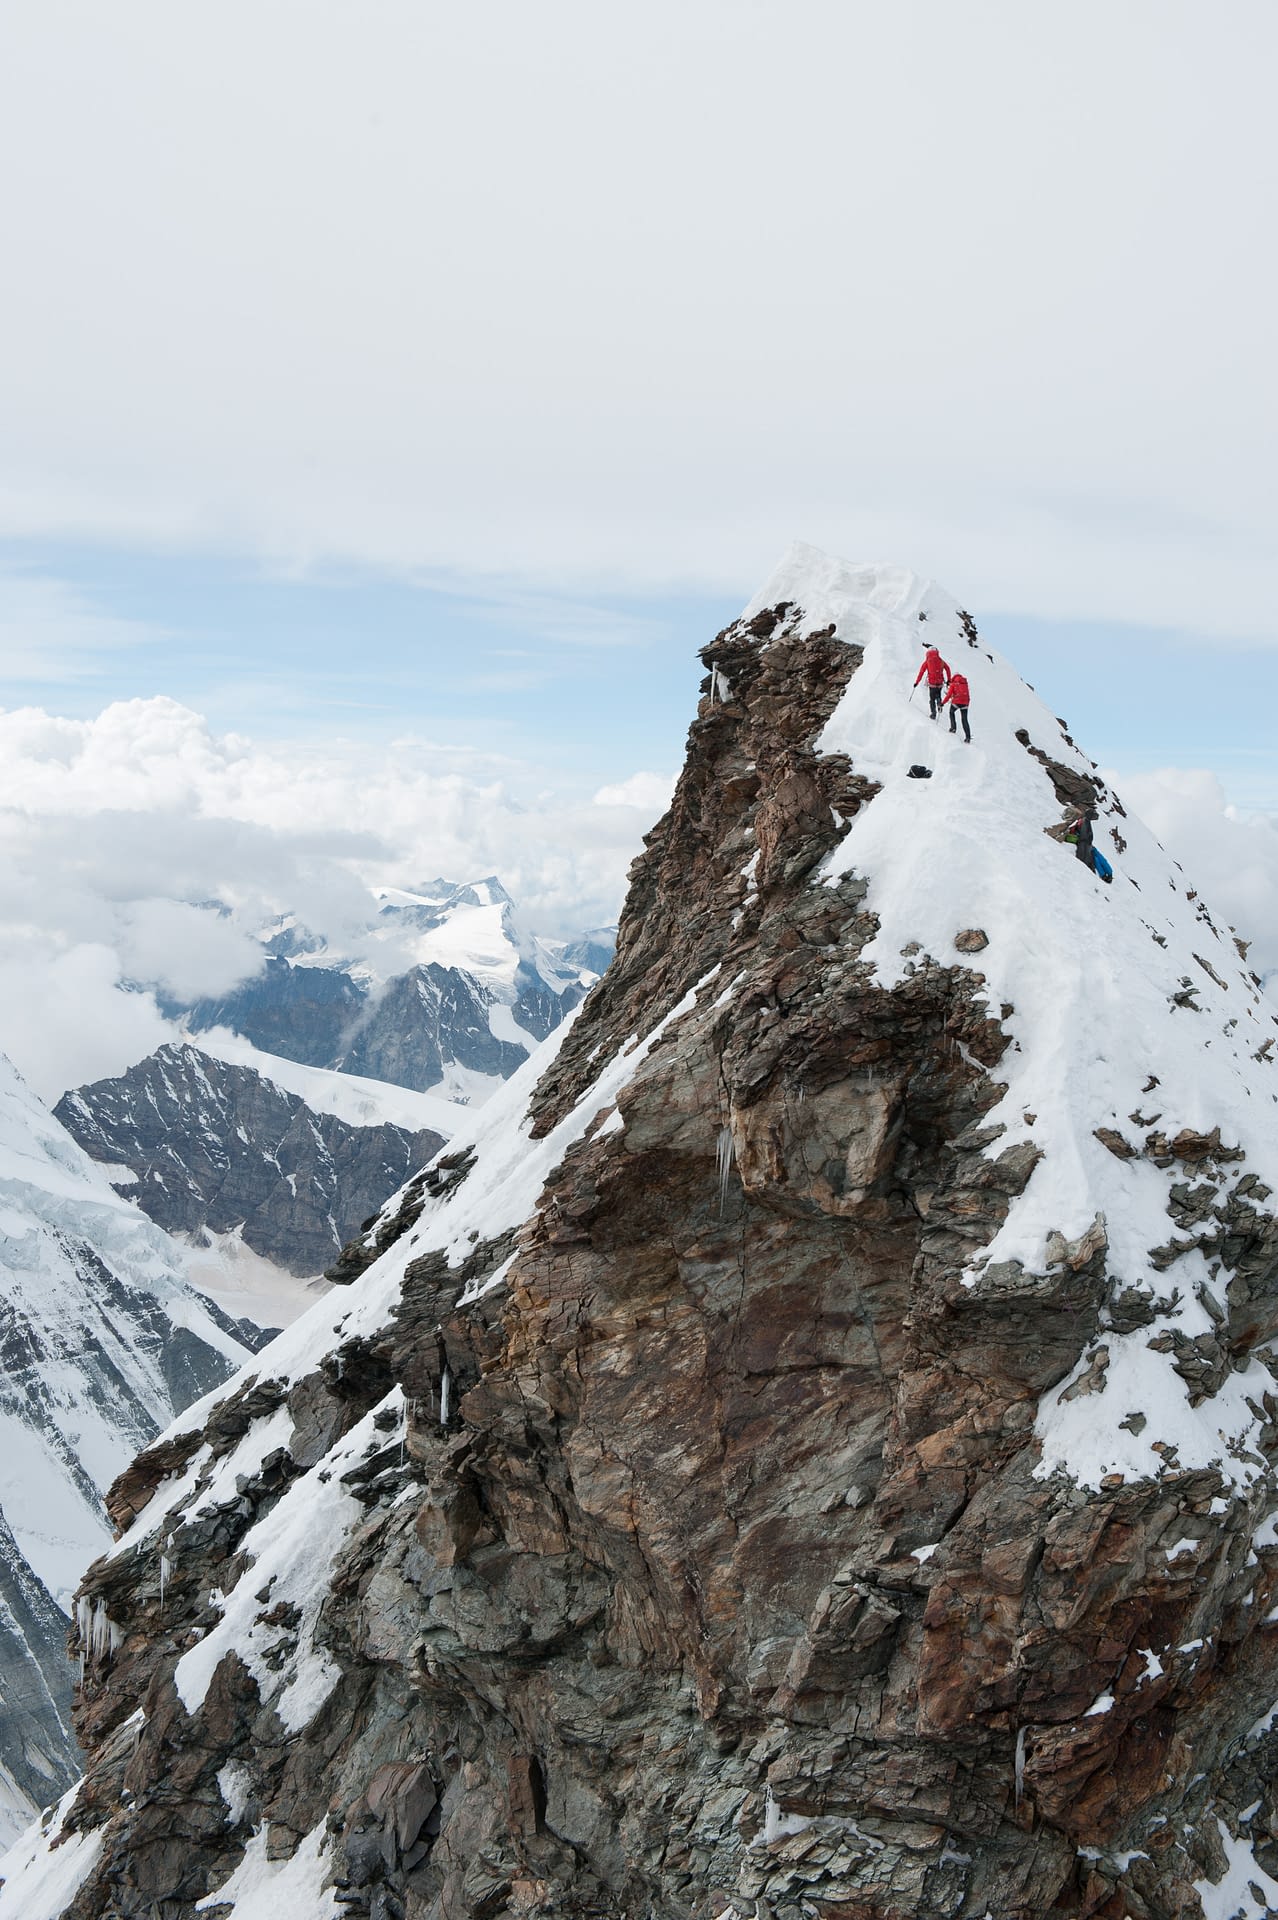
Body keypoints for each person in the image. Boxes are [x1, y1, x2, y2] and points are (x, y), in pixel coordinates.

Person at [914, 643, 951, 719]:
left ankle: (933, 713)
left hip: (932, 684)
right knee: (938, 695)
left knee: (932, 699)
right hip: (940, 683)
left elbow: (921, 672)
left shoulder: (927, 661)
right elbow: (948, 669)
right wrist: (949, 680)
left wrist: (917, 682)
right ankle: (939, 703)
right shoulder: (941, 661)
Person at [943, 672, 971, 741]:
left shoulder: (953, 683)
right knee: (964, 719)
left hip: (957, 702)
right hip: (965, 702)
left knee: (951, 712)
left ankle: (953, 728)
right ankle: (968, 737)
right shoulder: (965, 683)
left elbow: (948, 695)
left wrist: (942, 703)